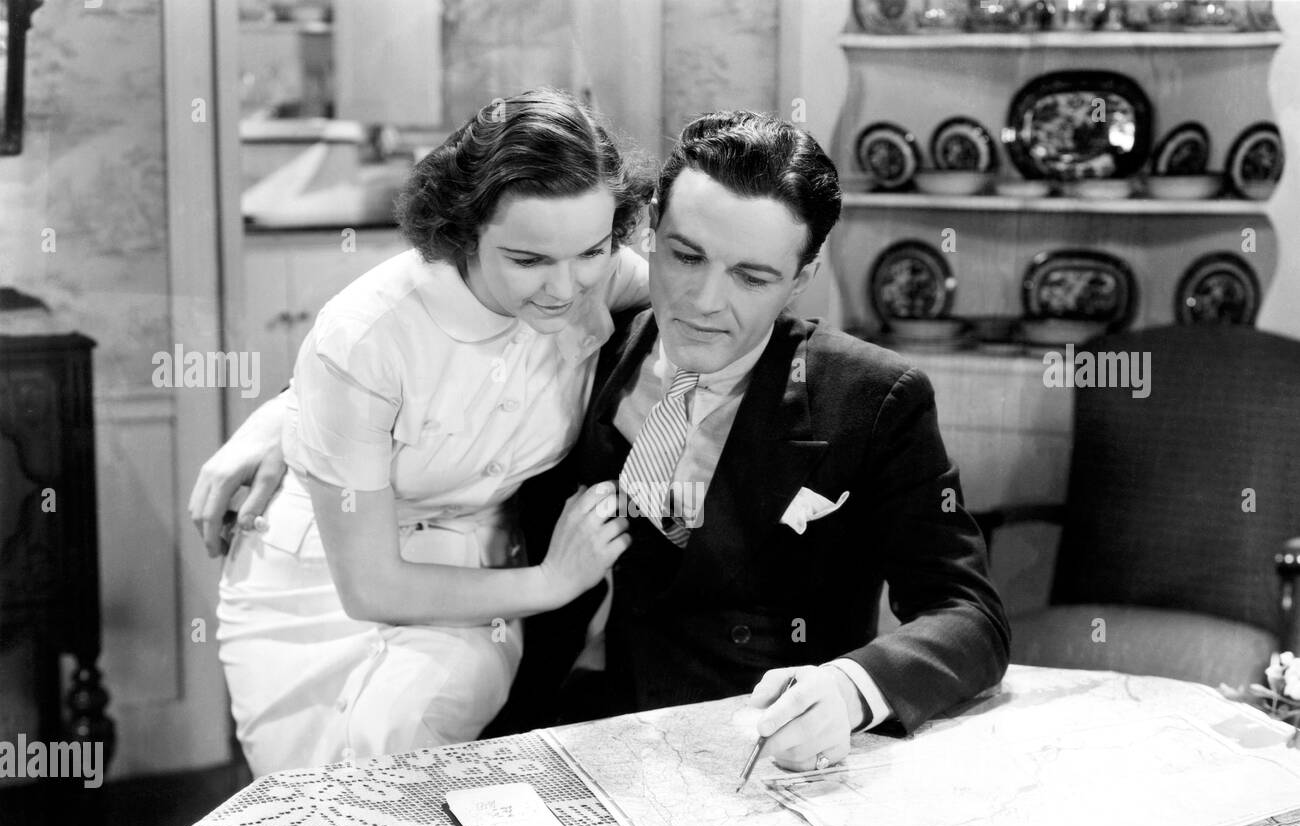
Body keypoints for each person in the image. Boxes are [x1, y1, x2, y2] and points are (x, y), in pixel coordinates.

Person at [198, 109, 1009, 777]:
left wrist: (850, 686)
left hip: (748, 754)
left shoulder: (871, 398)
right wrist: (288, 414)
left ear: (804, 274)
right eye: (684, 254)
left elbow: (968, 613)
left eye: (752, 277)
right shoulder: (590, 314)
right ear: (646, 231)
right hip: (534, 730)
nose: (700, 299)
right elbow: (410, 349)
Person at [190, 89, 652, 776]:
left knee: (406, 734)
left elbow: (708, 305)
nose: (567, 288)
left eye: (592, 250)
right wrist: (551, 581)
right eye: (528, 261)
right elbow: (372, 588)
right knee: (322, 811)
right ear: (463, 229)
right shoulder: (367, 336)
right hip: (321, 582)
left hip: (468, 578)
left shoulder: (594, 276)